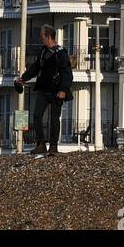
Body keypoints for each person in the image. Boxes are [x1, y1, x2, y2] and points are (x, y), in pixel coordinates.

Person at [14, 24, 73, 156]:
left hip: (57, 91)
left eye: (42, 36)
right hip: (43, 89)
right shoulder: (43, 51)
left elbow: (67, 73)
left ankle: (53, 146)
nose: (41, 39)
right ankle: (41, 144)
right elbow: (35, 67)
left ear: (49, 37)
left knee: (54, 118)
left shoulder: (61, 53)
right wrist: (23, 78)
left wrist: (63, 89)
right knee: (36, 115)